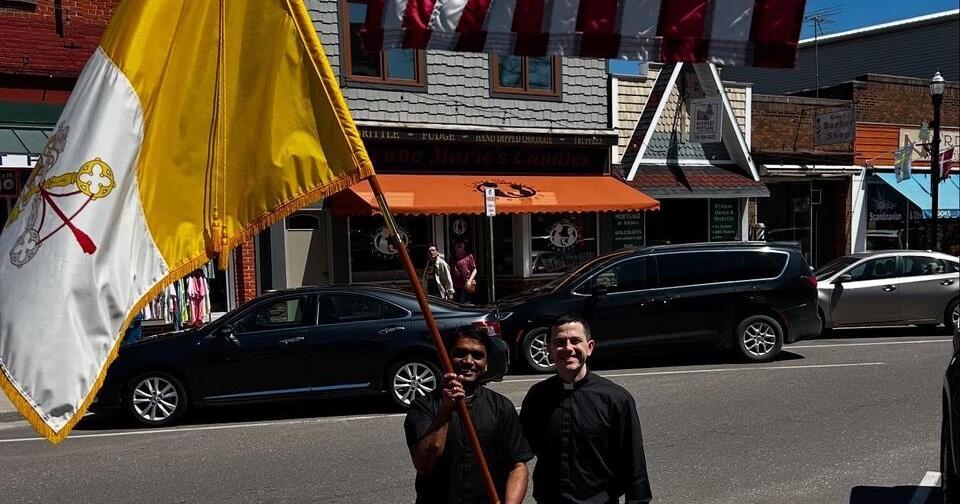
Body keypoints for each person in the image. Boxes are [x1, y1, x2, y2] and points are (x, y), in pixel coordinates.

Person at [520, 314, 653, 504]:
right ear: (549, 349)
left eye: (575, 341)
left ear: (589, 347)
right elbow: (517, 451)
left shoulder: (615, 399)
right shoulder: (537, 396)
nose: (568, 348)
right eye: (559, 342)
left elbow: (634, 467)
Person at [404, 326, 533, 504]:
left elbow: (518, 466)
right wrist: (446, 409)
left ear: (486, 364)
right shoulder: (424, 407)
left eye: (478, 355)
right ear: (446, 358)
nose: (468, 361)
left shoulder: (501, 407)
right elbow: (424, 463)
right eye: (460, 353)